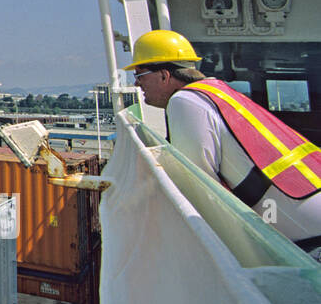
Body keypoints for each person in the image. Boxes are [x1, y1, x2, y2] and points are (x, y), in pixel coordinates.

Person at [124, 29, 321, 261]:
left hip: (308, 243)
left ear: (165, 75)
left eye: (140, 75)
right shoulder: (217, 91)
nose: (137, 84)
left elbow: (198, 188)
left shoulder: (184, 101)